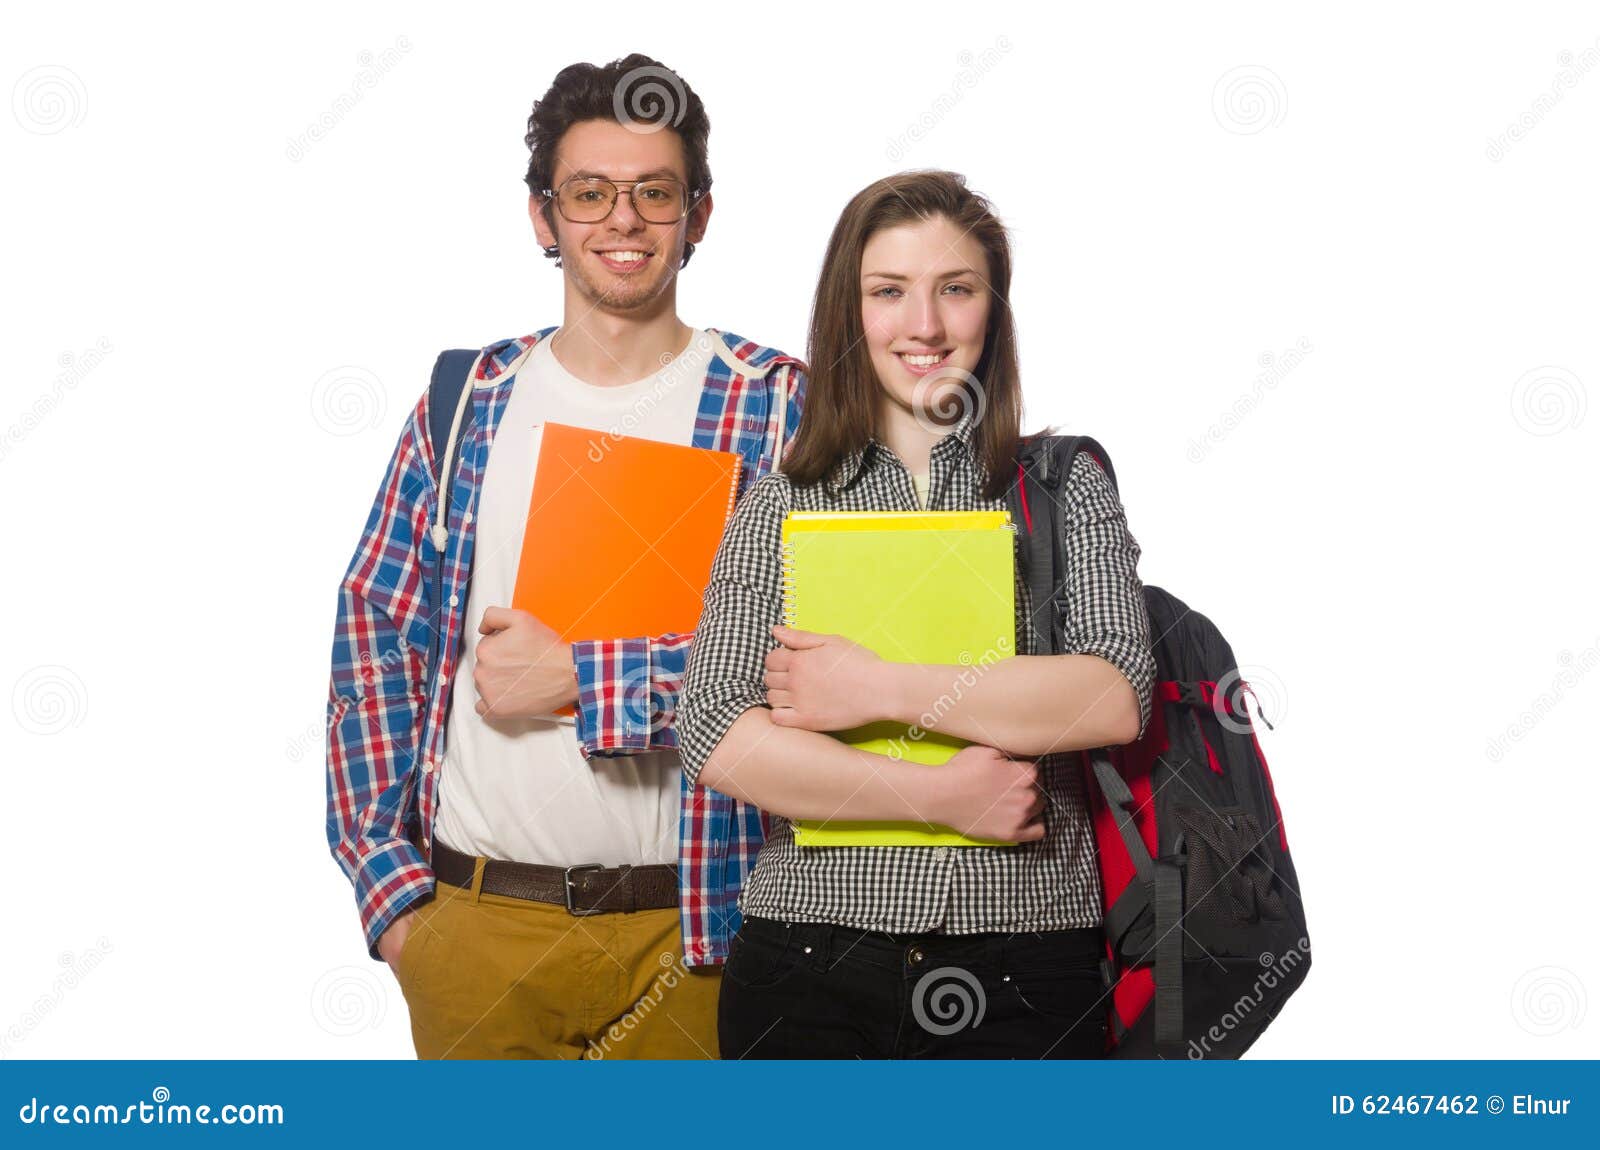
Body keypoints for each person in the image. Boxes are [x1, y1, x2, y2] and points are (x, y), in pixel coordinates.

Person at [323, 54, 806, 1059]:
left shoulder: (779, 407)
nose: (621, 221)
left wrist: (583, 681)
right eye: (589, 193)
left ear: (698, 216)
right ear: (544, 218)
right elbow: (380, 641)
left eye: (653, 193)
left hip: (704, 937)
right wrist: (401, 910)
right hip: (479, 931)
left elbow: (821, 665)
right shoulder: (468, 401)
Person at [676, 170, 1156, 1059]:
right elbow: (713, 731)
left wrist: (872, 686)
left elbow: (1113, 695)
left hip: (1027, 958)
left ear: (994, 309)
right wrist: (941, 797)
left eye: (957, 290)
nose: (925, 326)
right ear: (849, 312)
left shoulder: (1060, 482)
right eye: (889, 292)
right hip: (808, 959)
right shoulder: (783, 501)